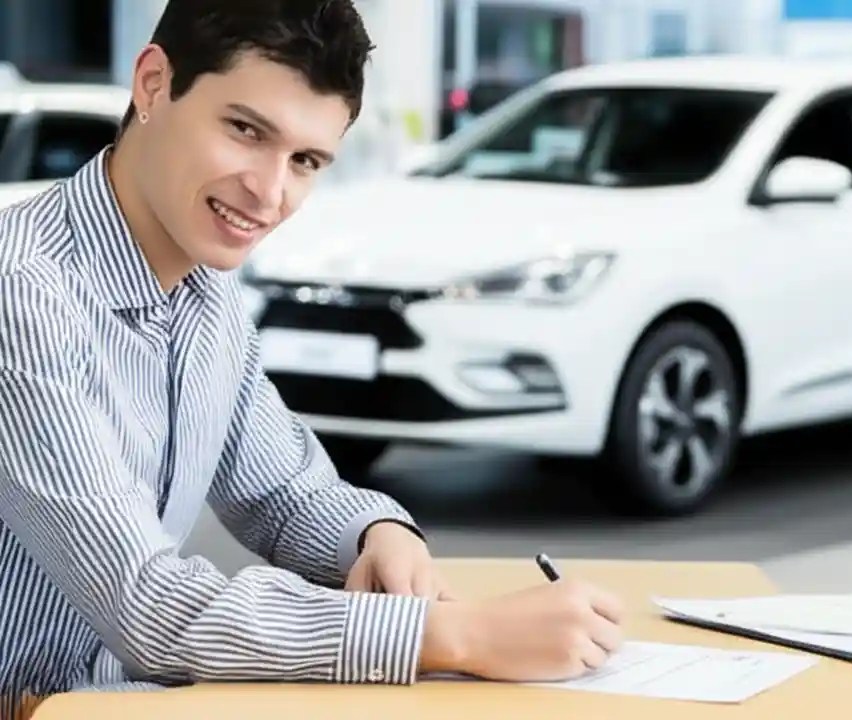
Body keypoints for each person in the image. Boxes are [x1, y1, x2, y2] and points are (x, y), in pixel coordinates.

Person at [0, 1, 624, 714]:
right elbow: (150, 605)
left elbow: (282, 491)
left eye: (305, 161)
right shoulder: (20, 295)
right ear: (152, 84)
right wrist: (454, 633)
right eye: (243, 130)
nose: (269, 193)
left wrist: (374, 533)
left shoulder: (206, 296)